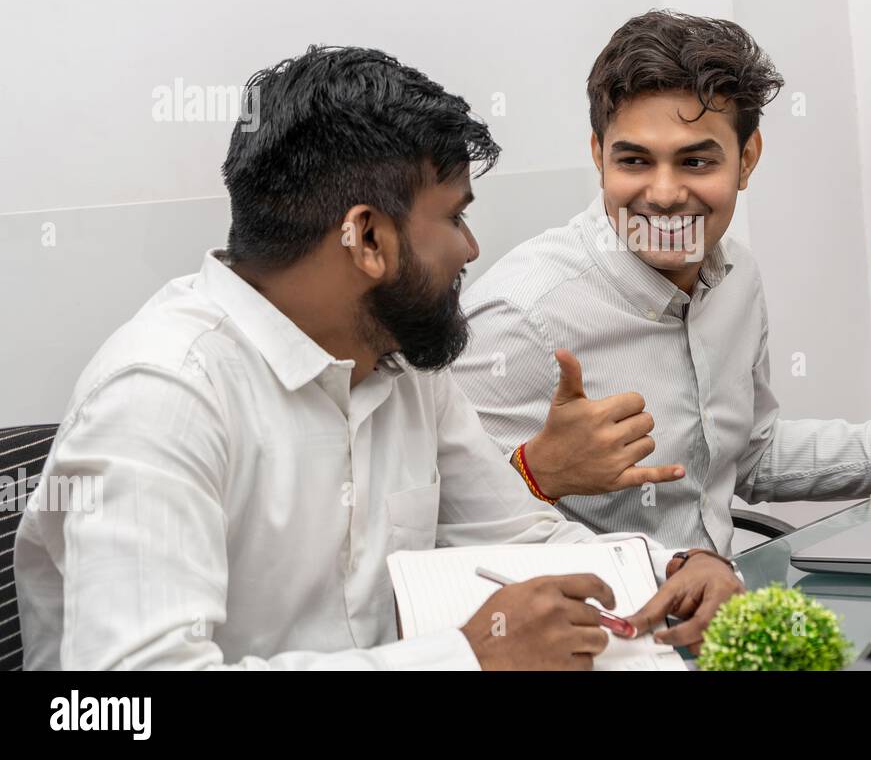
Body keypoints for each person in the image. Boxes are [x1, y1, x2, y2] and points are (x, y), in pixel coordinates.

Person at [15, 45, 741, 670]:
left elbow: (523, 539)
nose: (471, 248)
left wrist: (673, 570)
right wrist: (467, 657)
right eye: (455, 215)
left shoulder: (401, 363)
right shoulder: (162, 397)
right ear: (366, 239)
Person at [454, 11, 871, 554]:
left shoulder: (735, 276)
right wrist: (537, 474)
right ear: (598, 154)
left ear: (747, 159)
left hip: (723, 619)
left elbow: (749, 455)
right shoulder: (520, 312)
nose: (666, 193)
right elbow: (451, 525)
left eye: (697, 162)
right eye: (634, 161)